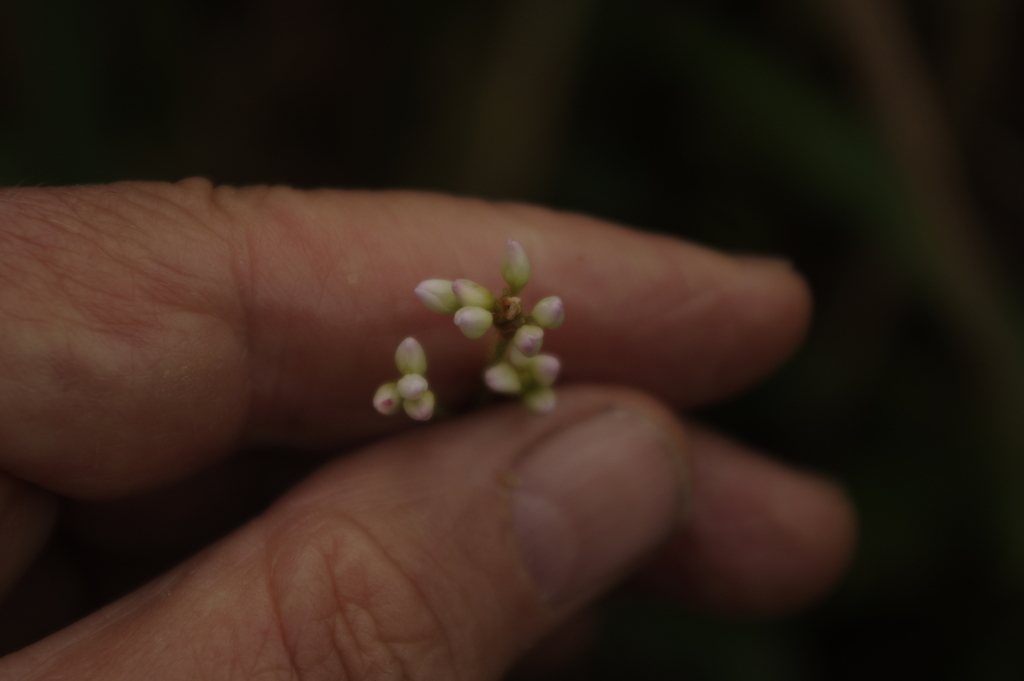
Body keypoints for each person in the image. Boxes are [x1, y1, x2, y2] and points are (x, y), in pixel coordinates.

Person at [0, 179, 855, 679]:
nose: (507, 313)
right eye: (503, 312)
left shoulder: (506, 342)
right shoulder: (468, 350)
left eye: (509, 314)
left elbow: (512, 346)